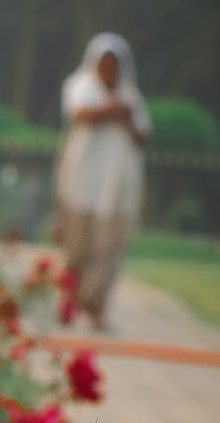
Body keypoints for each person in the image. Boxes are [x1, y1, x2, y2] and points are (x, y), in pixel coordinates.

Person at [53, 32, 150, 326]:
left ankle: (97, 307)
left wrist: (122, 112)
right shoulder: (80, 86)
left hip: (116, 185)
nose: (109, 70)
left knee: (108, 249)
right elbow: (81, 114)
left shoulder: (131, 95)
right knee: (77, 247)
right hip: (82, 181)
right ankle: (69, 303)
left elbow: (142, 134)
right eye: (104, 63)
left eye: (114, 64)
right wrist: (113, 110)